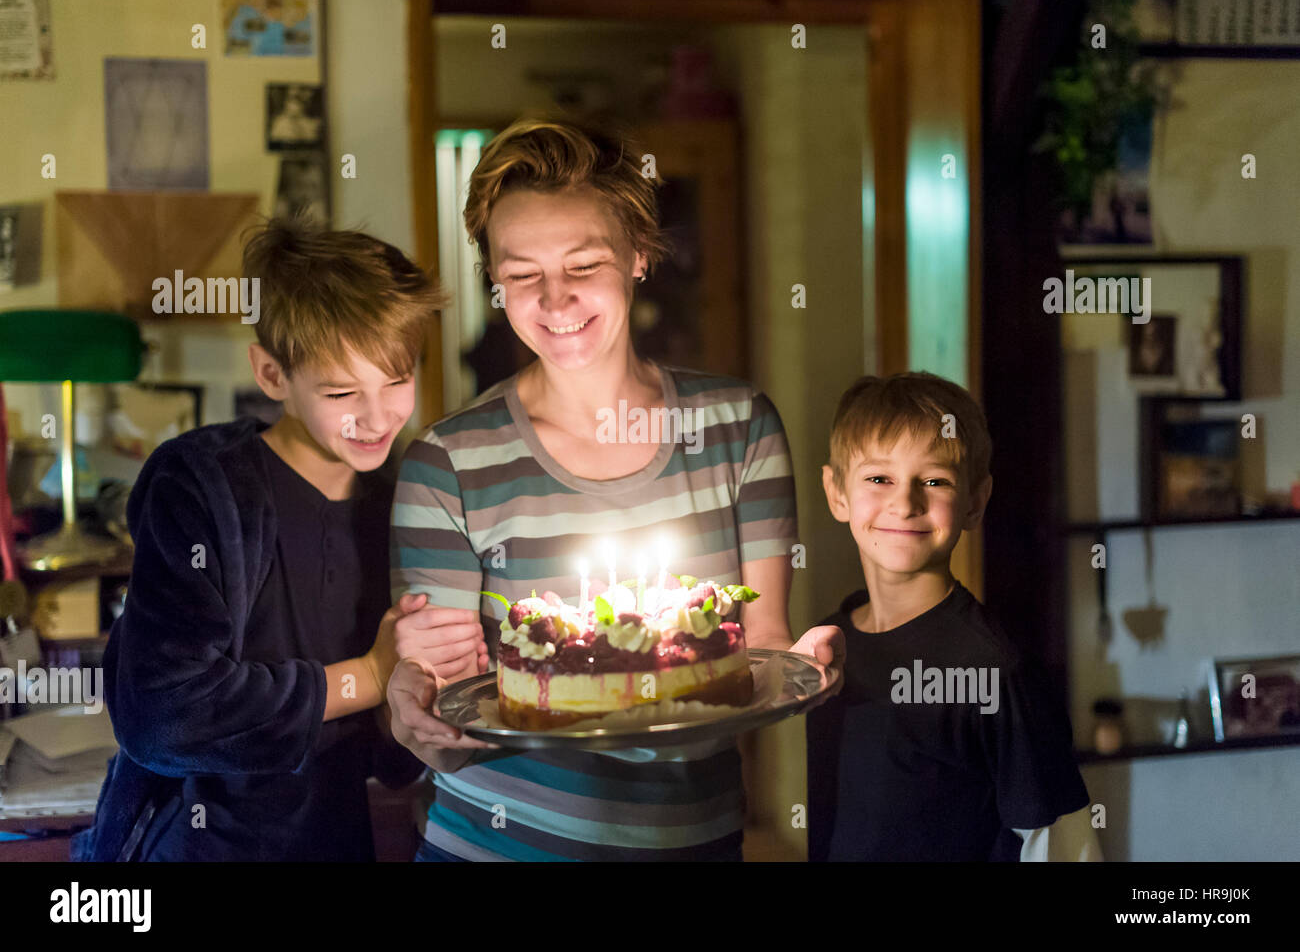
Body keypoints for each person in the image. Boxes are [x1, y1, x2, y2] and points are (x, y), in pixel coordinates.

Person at [385, 117, 841, 862]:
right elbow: (450, 709)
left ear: (638, 254)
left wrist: (806, 670)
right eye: (522, 272)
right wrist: (416, 719)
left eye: (583, 263)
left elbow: (757, 654)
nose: (554, 299)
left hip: (692, 844)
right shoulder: (449, 462)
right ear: (495, 280)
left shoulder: (738, 427)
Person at [73, 217, 447, 861]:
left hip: (333, 840)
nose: (379, 415)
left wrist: (415, 702)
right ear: (272, 375)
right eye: (340, 391)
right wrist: (369, 674)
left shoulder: (403, 497)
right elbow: (162, 716)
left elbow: (386, 758)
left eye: (397, 379)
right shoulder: (200, 485)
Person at [806, 371, 1103, 861]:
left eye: (935, 480)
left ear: (975, 501)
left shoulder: (996, 669)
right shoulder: (829, 643)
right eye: (879, 478)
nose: (904, 503)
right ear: (837, 492)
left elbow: (1063, 846)